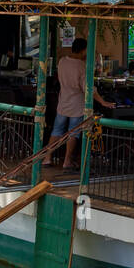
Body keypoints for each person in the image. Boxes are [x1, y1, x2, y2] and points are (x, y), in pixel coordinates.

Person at [51, 37, 109, 171]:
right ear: (84, 50)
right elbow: (88, 89)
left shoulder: (62, 61)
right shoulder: (82, 66)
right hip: (77, 104)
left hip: (63, 101)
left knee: (57, 130)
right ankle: (67, 161)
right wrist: (102, 102)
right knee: (74, 132)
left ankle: (46, 158)